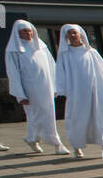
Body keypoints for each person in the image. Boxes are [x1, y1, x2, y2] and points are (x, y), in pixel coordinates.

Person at [4, 20, 65, 154]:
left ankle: (32, 138)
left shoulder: (41, 46)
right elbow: (13, 73)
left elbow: (51, 66)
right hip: (30, 89)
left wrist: (56, 86)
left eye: (29, 30)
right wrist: (20, 94)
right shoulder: (13, 50)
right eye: (24, 31)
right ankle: (56, 142)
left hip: (46, 87)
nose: (28, 33)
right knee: (36, 115)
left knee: (46, 114)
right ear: (18, 34)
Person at [54, 25, 103, 160]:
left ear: (80, 34)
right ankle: (77, 147)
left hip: (96, 92)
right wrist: (60, 89)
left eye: (75, 33)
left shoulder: (91, 52)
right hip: (77, 93)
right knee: (77, 119)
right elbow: (60, 73)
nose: (73, 36)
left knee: (102, 118)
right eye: (70, 34)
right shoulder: (65, 55)